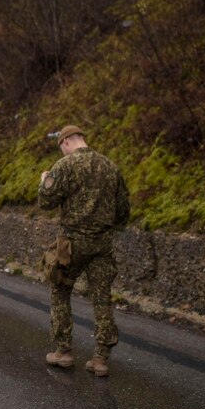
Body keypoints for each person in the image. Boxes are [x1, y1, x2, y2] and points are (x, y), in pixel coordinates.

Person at [38, 125, 130, 377]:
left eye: (61, 148)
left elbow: (46, 202)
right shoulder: (110, 166)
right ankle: (101, 358)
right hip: (102, 244)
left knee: (60, 290)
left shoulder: (64, 167)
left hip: (72, 244)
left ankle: (64, 351)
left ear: (65, 142)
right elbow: (123, 211)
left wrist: (45, 180)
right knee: (102, 297)